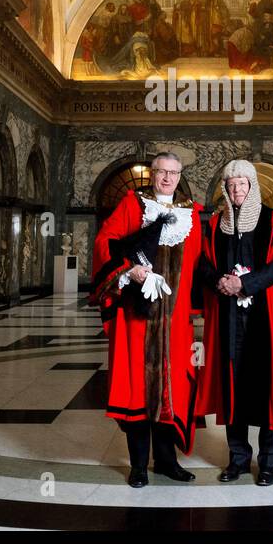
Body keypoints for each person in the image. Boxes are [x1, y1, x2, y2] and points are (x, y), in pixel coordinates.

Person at [90, 152, 204, 487]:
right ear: (152, 174)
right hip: (137, 319)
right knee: (138, 392)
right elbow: (104, 243)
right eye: (161, 172)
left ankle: (167, 462)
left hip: (176, 321)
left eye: (173, 172)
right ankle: (139, 466)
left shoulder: (192, 213)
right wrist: (131, 270)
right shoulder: (132, 205)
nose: (167, 178)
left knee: (171, 391)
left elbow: (202, 264)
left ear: (179, 175)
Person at [196, 160, 273, 485]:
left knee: (266, 389)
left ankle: (268, 463)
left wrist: (245, 284)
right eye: (231, 185)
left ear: (252, 186)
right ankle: (238, 460)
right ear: (225, 190)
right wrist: (221, 282)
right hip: (229, 319)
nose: (237, 190)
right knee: (233, 389)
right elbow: (203, 265)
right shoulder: (216, 225)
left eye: (242, 184)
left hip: (264, 319)